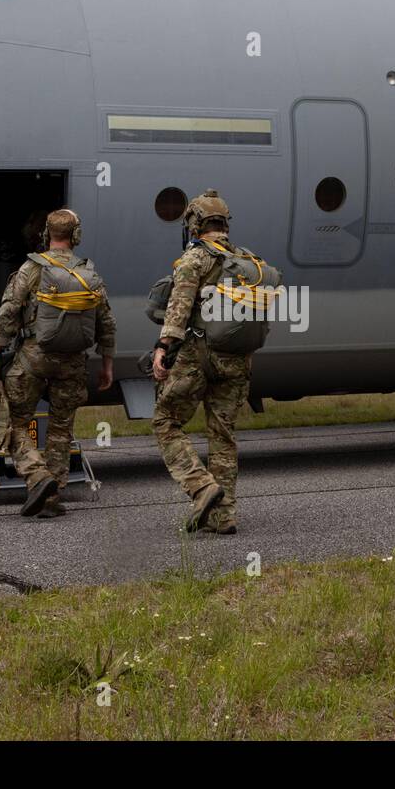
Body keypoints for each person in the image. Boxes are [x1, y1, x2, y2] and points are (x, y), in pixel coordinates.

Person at [0, 208, 115, 517]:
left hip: (33, 358)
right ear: (76, 236)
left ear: (47, 235)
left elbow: (8, 311)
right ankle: (52, 498)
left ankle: (36, 475)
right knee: (60, 428)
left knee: (14, 422)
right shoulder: (89, 273)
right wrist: (107, 363)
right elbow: (106, 322)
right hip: (72, 362)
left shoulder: (32, 269)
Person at [151, 190, 257, 535]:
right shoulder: (247, 261)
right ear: (225, 223)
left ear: (195, 224)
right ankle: (224, 516)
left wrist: (163, 349)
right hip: (236, 362)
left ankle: (200, 485)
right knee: (223, 435)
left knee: (166, 421)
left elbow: (178, 308)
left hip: (197, 358)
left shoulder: (194, 259)